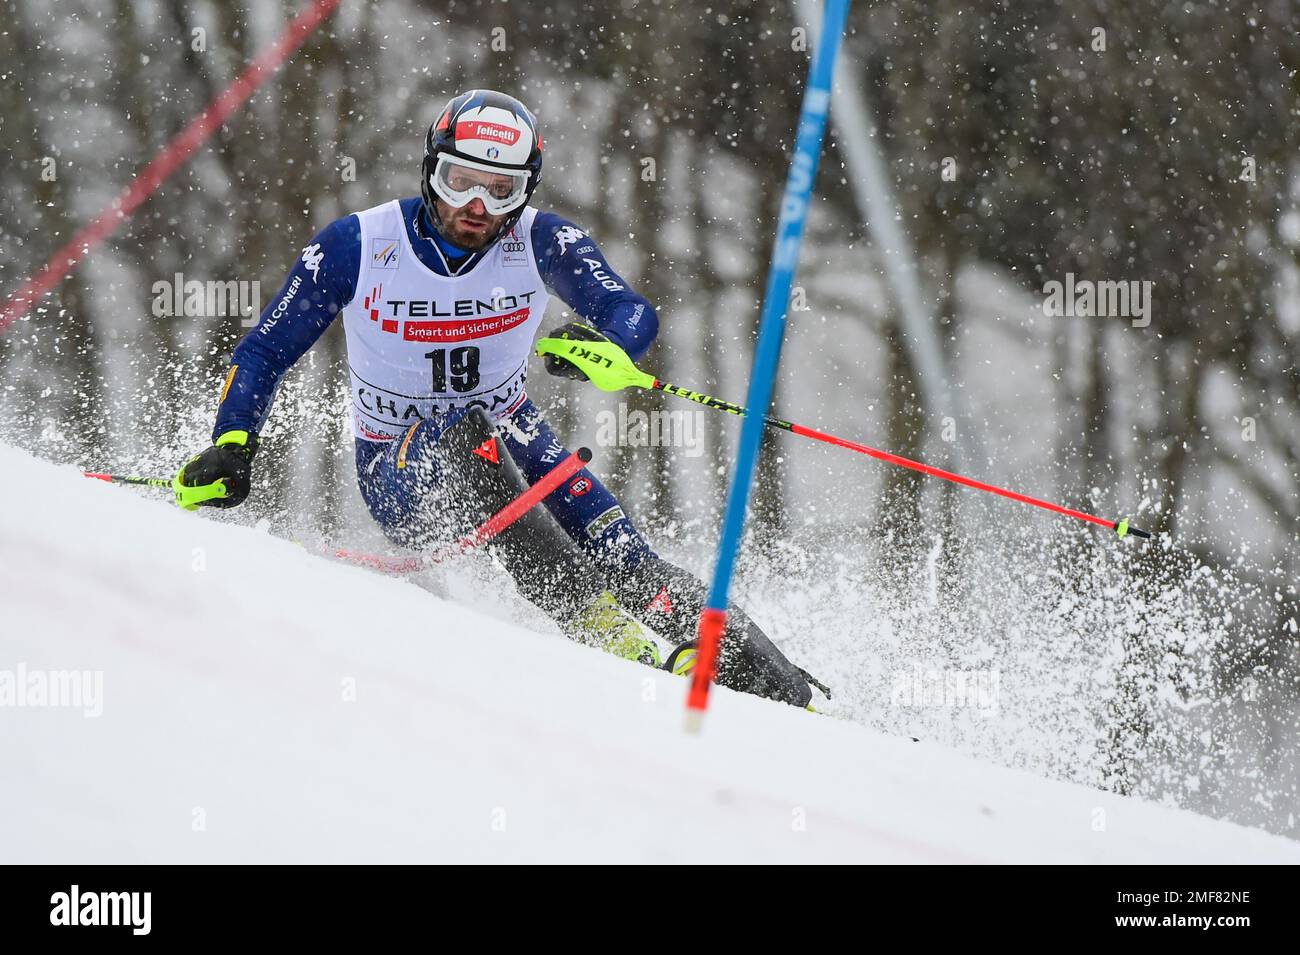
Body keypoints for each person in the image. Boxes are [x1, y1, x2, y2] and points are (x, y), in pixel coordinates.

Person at [175, 88, 815, 708]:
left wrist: (604, 343)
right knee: (466, 434)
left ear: (525, 191)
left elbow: (630, 311)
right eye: (460, 180)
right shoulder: (357, 244)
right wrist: (232, 444)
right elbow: (263, 351)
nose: (477, 205)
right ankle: (600, 627)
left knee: (625, 554)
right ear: (431, 172)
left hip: (517, 435)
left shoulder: (539, 240)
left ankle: (781, 685)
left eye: (501, 190)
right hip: (397, 466)